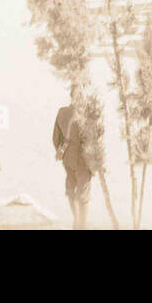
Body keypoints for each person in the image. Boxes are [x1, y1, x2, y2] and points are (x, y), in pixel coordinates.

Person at [52, 86, 95, 230]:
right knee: (83, 194)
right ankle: (82, 225)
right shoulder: (86, 115)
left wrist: (63, 152)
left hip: (67, 158)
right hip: (83, 159)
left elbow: (55, 138)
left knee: (71, 188)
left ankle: (76, 219)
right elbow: (92, 139)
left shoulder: (62, 112)